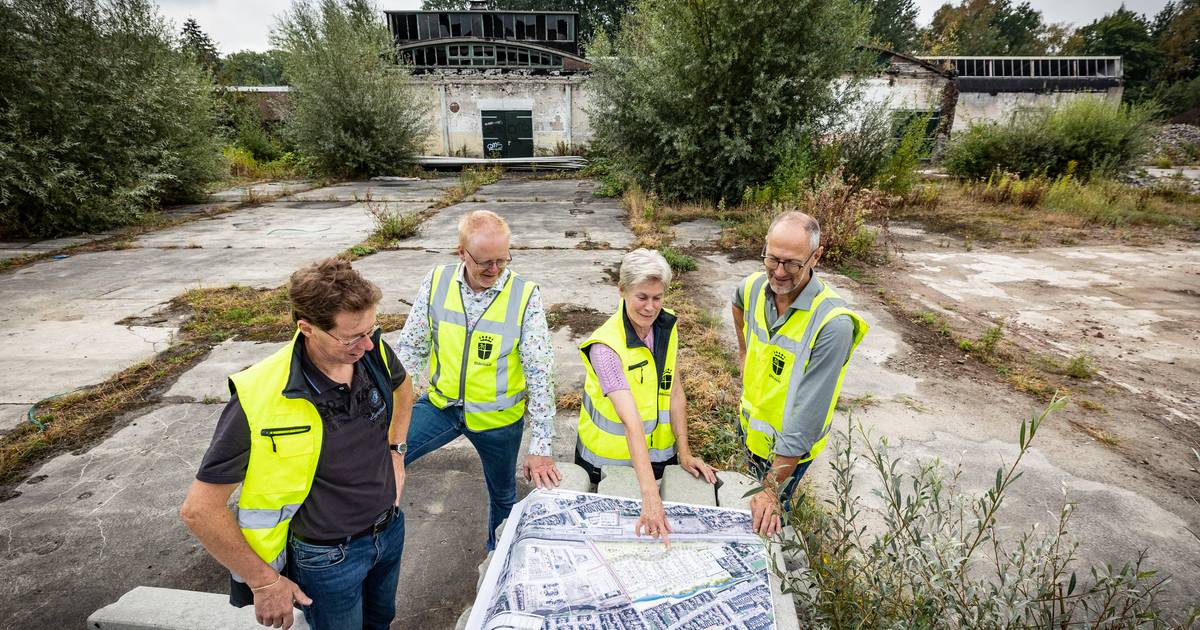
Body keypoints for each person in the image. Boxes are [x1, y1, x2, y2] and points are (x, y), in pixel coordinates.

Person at [180, 257, 413, 630]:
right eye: (353, 336)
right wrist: (264, 581)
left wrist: (396, 451)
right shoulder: (259, 397)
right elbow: (199, 510)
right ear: (307, 328)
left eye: (372, 329)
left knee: (381, 621)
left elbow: (404, 389)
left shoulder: (372, 353)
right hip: (327, 557)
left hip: (389, 531)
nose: (368, 344)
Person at [395, 209, 561, 551]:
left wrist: (541, 446)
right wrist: (387, 411)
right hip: (441, 407)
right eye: (485, 262)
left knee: (503, 495)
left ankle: (494, 565)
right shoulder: (437, 281)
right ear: (461, 253)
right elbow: (410, 350)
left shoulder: (524, 295)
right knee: (384, 459)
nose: (495, 270)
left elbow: (540, 370)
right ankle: (376, 544)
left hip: (498, 420)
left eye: (502, 259)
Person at [732, 211, 868, 537]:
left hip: (788, 450)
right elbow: (737, 301)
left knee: (771, 520)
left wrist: (771, 488)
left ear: (815, 256)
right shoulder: (752, 287)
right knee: (745, 508)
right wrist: (742, 351)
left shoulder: (833, 324)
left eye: (791, 263)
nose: (778, 272)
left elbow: (807, 418)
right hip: (750, 429)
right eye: (772, 259)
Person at [576, 248, 718, 546]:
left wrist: (685, 452)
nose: (650, 308)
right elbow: (631, 423)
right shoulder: (606, 347)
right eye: (642, 297)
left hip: (657, 456)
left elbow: (675, 391)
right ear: (622, 290)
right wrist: (650, 495)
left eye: (657, 297)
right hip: (607, 465)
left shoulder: (666, 327)